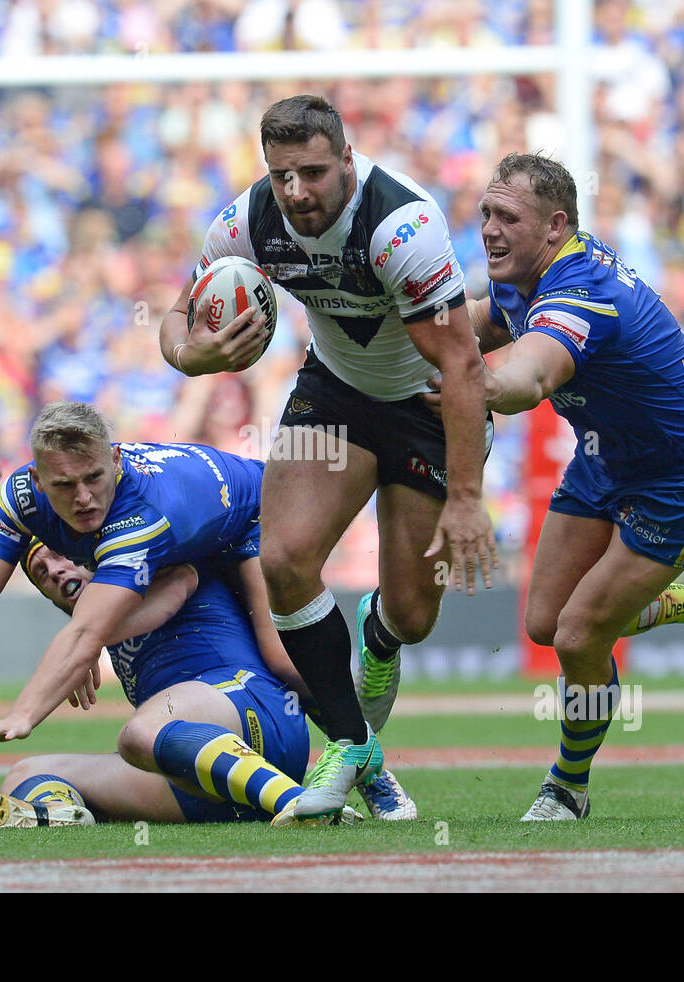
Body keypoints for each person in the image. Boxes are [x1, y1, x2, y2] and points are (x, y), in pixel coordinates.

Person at [158, 95, 496, 823]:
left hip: (426, 405)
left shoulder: (402, 223)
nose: (297, 192)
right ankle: (351, 743)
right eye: (282, 176)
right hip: (336, 395)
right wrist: (192, 354)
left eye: (313, 173)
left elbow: (465, 365)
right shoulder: (247, 221)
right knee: (283, 557)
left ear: (346, 159)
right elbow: (177, 314)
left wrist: (467, 499)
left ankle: (379, 633)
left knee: (413, 614)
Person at [427, 153, 684, 821]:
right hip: (605, 456)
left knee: (580, 635)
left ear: (555, 225)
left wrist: (453, 386)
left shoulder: (583, 293)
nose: (490, 231)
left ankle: (568, 786)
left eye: (508, 218)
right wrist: (378, 335)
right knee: (544, 623)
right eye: (486, 215)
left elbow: (526, 380)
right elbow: (482, 321)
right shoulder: (527, 272)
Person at [0, 401, 404, 825]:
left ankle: (349, 765)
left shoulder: (139, 523)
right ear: (38, 478)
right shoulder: (20, 503)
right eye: (64, 486)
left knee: (281, 657)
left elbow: (112, 616)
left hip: (258, 507)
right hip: (208, 760)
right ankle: (62, 816)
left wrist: (28, 709)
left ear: (115, 462)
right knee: (25, 775)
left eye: (93, 478)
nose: (83, 499)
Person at [0, 539, 416, 828]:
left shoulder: (147, 565)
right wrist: (85, 641)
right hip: (207, 780)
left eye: (59, 556)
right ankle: (60, 815)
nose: (54, 571)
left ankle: (303, 802)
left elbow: (181, 581)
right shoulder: (95, 625)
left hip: (253, 710)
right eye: (42, 574)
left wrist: (86, 641)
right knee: (25, 773)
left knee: (141, 731)